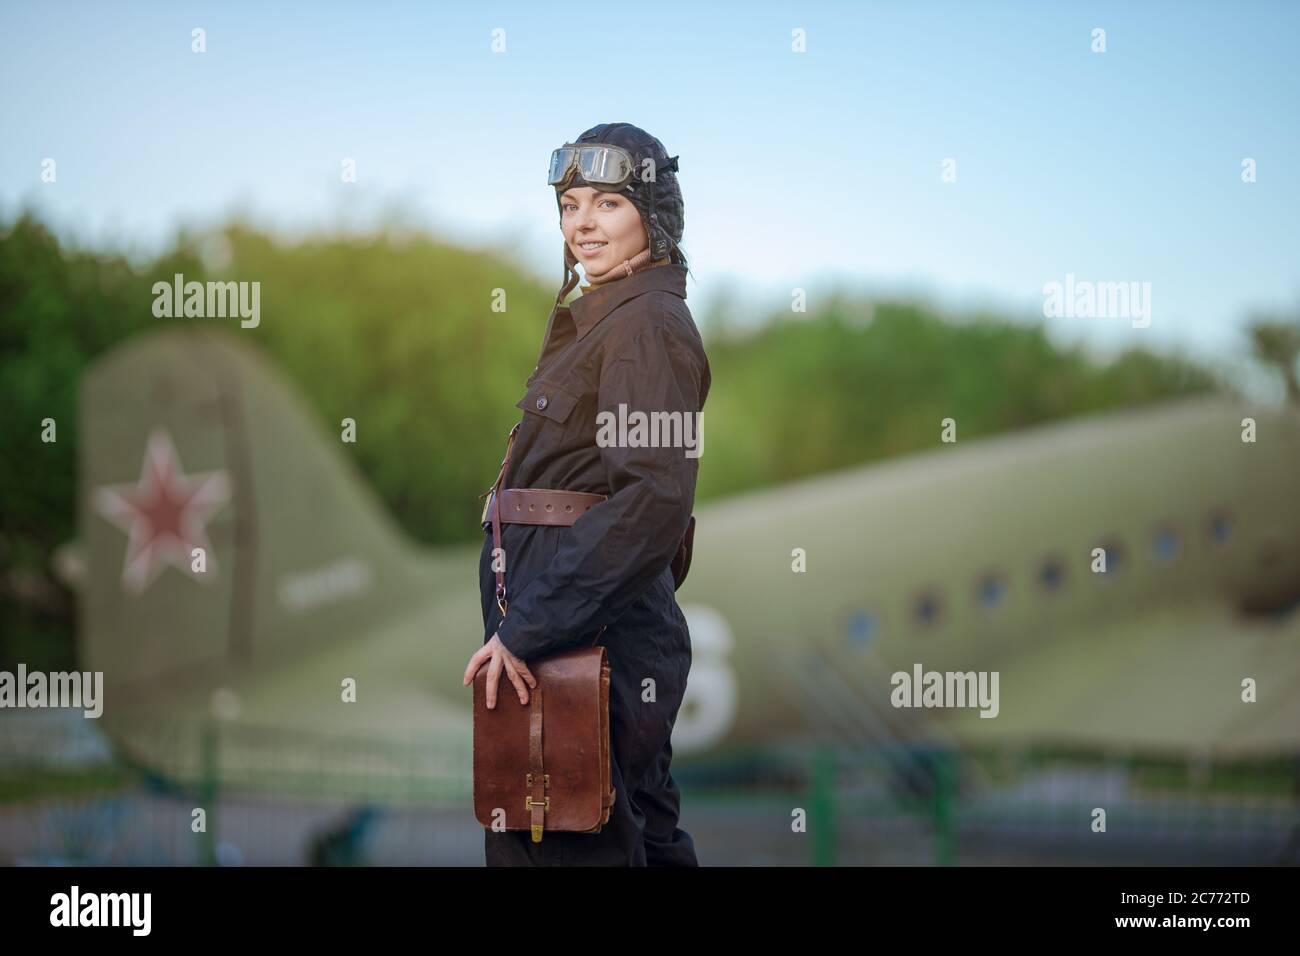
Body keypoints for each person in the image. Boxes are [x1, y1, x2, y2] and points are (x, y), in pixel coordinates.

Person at [461, 122, 709, 866]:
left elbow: (651, 505)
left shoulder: (647, 328)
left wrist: (528, 628)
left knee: (572, 848)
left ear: (651, 216)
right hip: (580, 641)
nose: (583, 223)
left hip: (586, 648)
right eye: (571, 205)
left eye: (607, 204)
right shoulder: (605, 320)